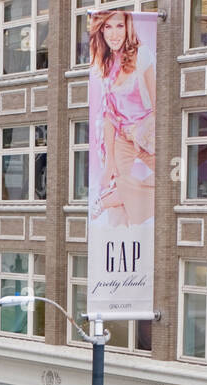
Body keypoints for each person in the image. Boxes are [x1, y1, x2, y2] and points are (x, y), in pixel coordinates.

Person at [88, 11, 156, 228]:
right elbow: (109, 114)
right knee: (115, 182)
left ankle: (111, 198)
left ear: (128, 28)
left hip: (148, 132)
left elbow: (158, 105)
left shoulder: (142, 55)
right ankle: (119, 238)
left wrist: (141, 131)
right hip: (121, 137)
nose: (114, 34)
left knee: (175, 180)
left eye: (119, 26)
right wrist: (109, 162)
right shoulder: (106, 63)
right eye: (108, 27)